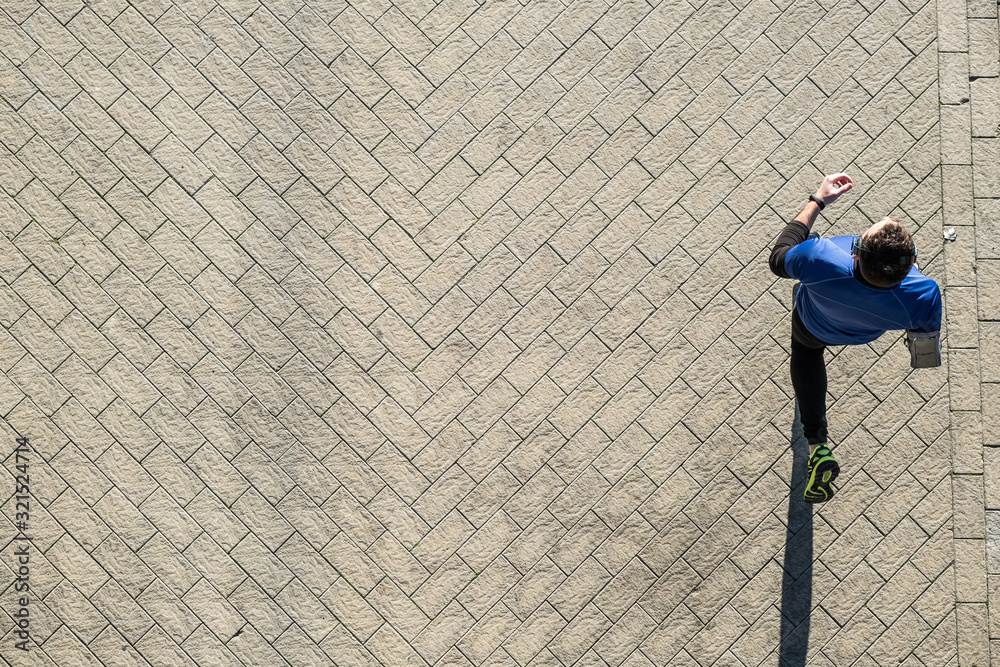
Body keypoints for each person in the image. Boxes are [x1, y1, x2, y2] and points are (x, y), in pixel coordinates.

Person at [768, 173, 942, 503]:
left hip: (814, 323)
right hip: (863, 332)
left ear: (858, 254)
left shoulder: (819, 256)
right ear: (911, 263)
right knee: (811, 352)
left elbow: (779, 258)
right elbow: (924, 343)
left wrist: (817, 201)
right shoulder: (924, 293)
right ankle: (815, 448)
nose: (886, 218)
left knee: (805, 354)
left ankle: (818, 444)